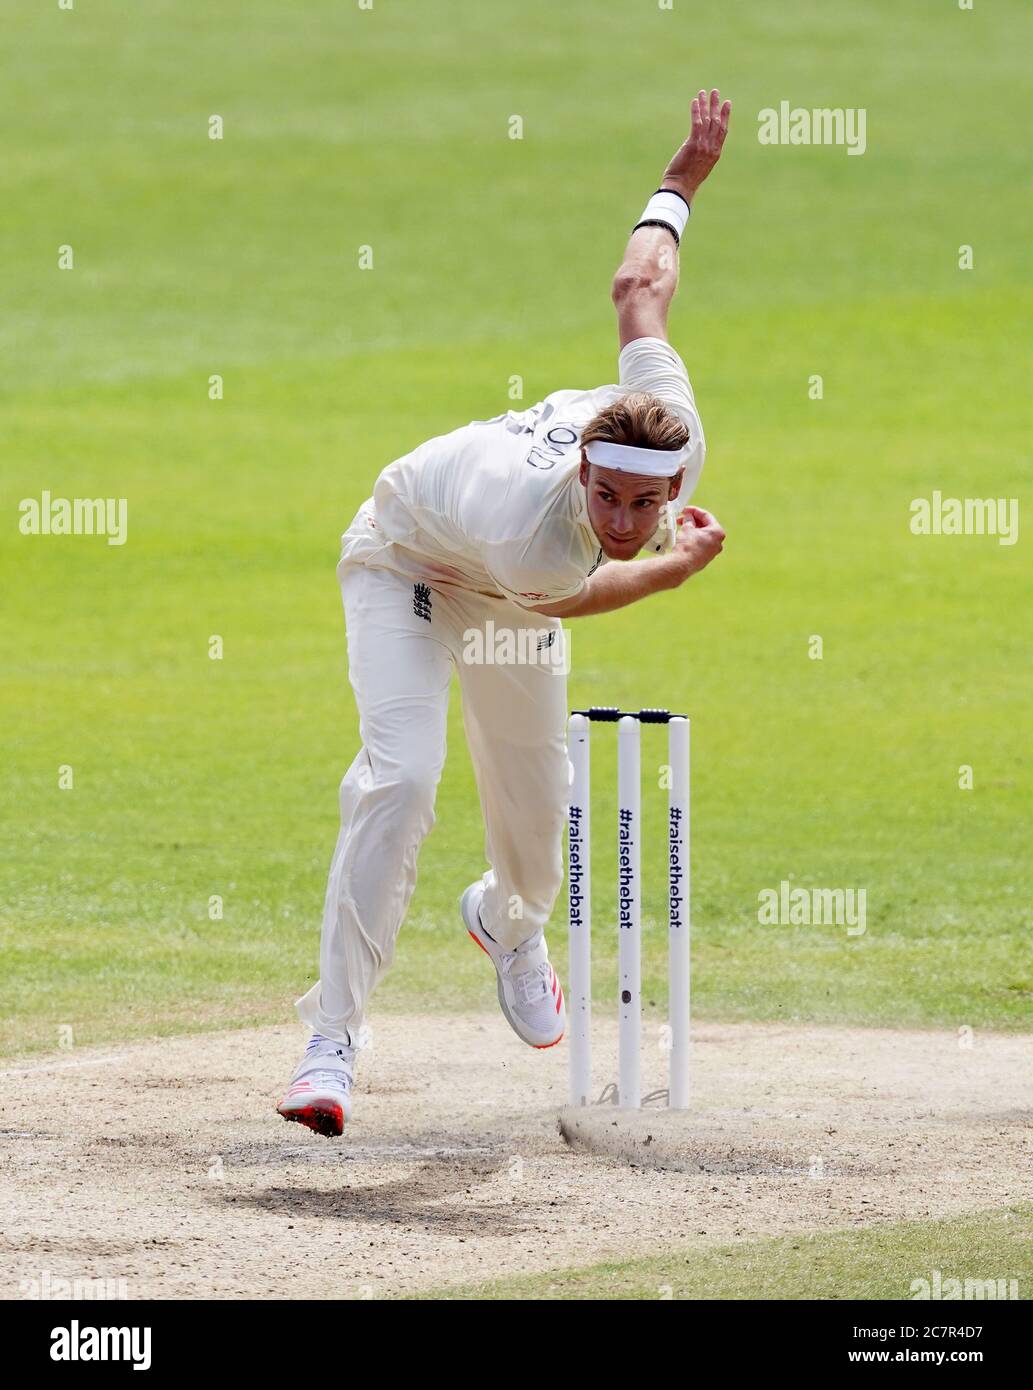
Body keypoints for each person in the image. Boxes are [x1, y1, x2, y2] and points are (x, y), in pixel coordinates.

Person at [277, 88, 732, 1136]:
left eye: (644, 506)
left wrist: (682, 182)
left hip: (506, 596)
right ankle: (330, 1043)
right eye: (608, 498)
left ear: (673, 481)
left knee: (537, 833)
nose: (624, 519)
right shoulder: (542, 532)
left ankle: (506, 924)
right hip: (406, 566)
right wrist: (674, 568)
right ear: (583, 464)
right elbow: (590, 588)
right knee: (402, 777)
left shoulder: (671, 426)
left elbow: (638, 288)